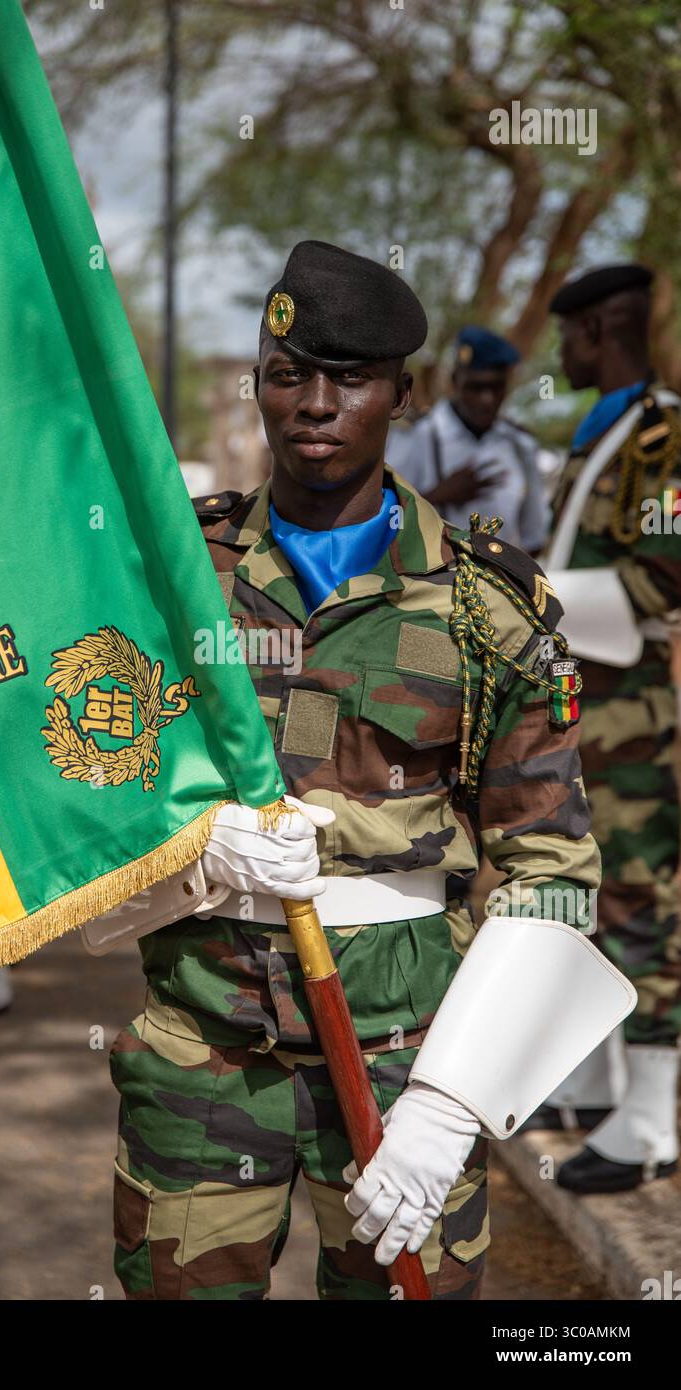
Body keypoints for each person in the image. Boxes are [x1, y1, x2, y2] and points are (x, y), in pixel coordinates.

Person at [100, 241, 627, 1300]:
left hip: (405, 1056)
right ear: (258, 383)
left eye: (351, 378)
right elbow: (86, 801)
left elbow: (552, 871)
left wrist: (452, 1104)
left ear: (403, 392)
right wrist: (194, 846)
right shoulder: (174, 586)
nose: (315, 403)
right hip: (203, 1044)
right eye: (288, 373)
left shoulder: (488, 611)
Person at [523, 264, 681, 1194]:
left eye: (568, 338)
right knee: (582, 894)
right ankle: (592, 1079)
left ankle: (654, 1116)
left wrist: (531, 602)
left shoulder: (660, 437)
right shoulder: (611, 430)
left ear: (598, 331)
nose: (560, 356)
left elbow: (664, 579)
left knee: (637, 900)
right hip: (585, 703)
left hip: (630, 716)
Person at [389, 326, 549, 553]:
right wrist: (437, 496)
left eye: (496, 387)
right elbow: (384, 522)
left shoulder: (520, 445)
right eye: (476, 387)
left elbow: (534, 537)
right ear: (456, 381)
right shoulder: (417, 438)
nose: (487, 399)